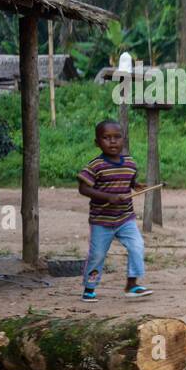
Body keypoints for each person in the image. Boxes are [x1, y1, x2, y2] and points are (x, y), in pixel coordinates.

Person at [77, 120, 151, 300]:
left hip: (126, 218)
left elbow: (128, 181)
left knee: (137, 246)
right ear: (97, 142)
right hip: (102, 221)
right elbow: (83, 188)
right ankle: (89, 287)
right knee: (98, 255)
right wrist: (108, 197)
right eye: (106, 138)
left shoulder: (130, 163)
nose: (112, 142)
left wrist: (136, 185)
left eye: (117, 137)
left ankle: (132, 285)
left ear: (123, 140)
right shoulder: (95, 166)